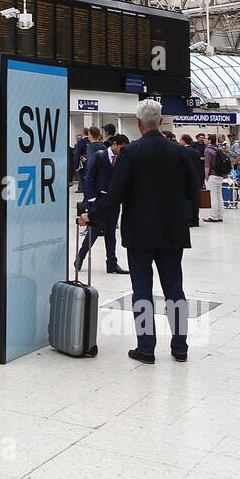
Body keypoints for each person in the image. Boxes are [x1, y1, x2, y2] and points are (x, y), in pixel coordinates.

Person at [86, 99, 195, 363]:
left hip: (140, 233)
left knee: (143, 290)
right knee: (175, 289)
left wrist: (91, 215)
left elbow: (115, 194)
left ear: (138, 123)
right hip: (172, 232)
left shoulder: (130, 153)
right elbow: (193, 191)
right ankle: (180, 347)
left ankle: (146, 348)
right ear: (160, 121)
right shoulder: (179, 152)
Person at [77, 133, 129, 274]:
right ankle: (80, 256)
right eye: (121, 148)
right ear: (115, 144)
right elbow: (89, 178)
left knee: (111, 233)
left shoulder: (122, 159)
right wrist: (92, 199)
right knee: (94, 231)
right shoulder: (100, 156)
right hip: (98, 201)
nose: (123, 151)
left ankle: (112, 263)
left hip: (113, 202)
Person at [179, 133, 205, 227]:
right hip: (196, 178)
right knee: (195, 199)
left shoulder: (181, 151)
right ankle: (195, 219)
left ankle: (188, 219)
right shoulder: (196, 152)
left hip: (185, 179)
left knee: (187, 199)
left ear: (183, 140)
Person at [202, 134, 226, 222]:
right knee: (219, 195)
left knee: (213, 196)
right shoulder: (218, 149)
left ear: (209, 140)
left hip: (212, 175)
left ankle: (213, 216)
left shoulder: (208, 150)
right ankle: (220, 215)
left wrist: (206, 176)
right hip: (220, 175)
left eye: (206, 138)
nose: (204, 140)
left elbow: (207, 165)